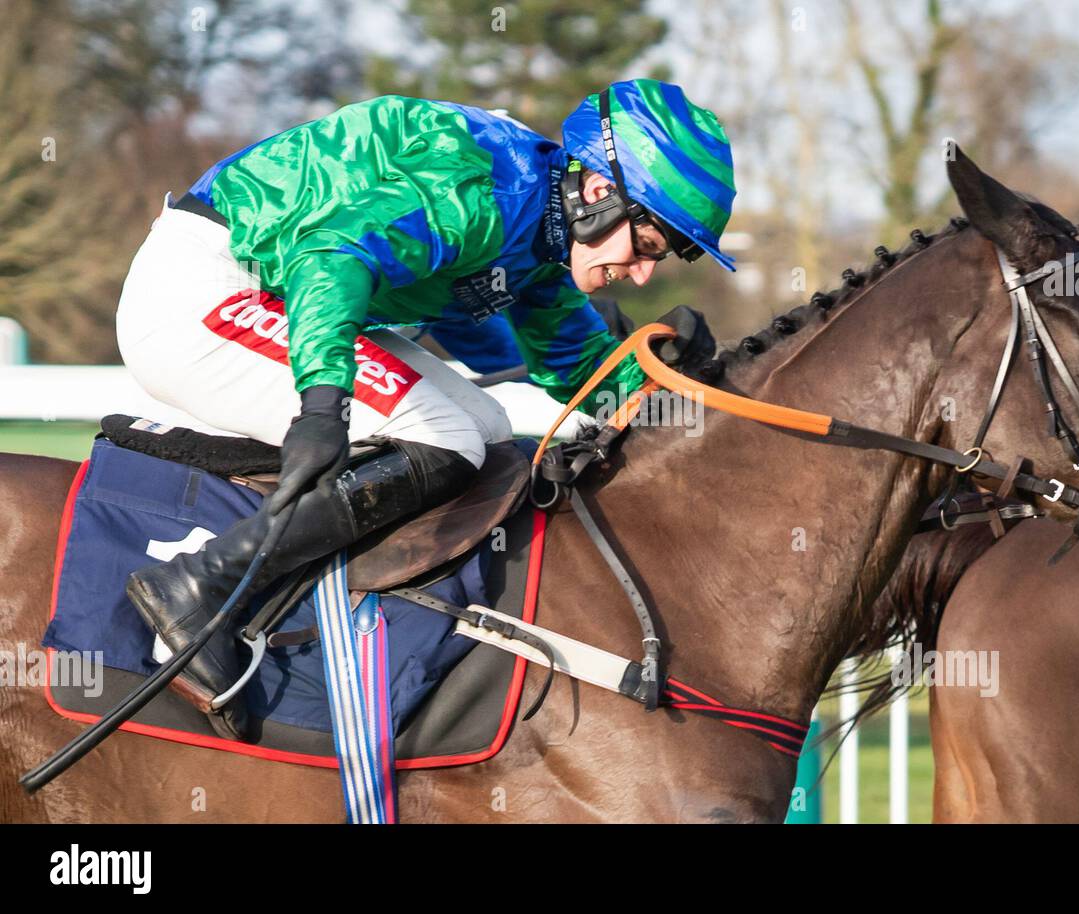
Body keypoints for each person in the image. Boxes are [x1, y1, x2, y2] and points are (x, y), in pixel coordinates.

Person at [114, 79, 735, 739]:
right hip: (208, 286)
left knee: (487, 432)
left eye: (657, 257)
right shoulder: (482, 188)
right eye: (645, 245)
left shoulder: (541, 239)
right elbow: (330, 258)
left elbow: (582, 373)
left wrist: (681, 387)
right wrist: (323, 405)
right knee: (445, 436)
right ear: (597, 192)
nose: (642, 274)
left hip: (281, 290)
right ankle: (198, 587)